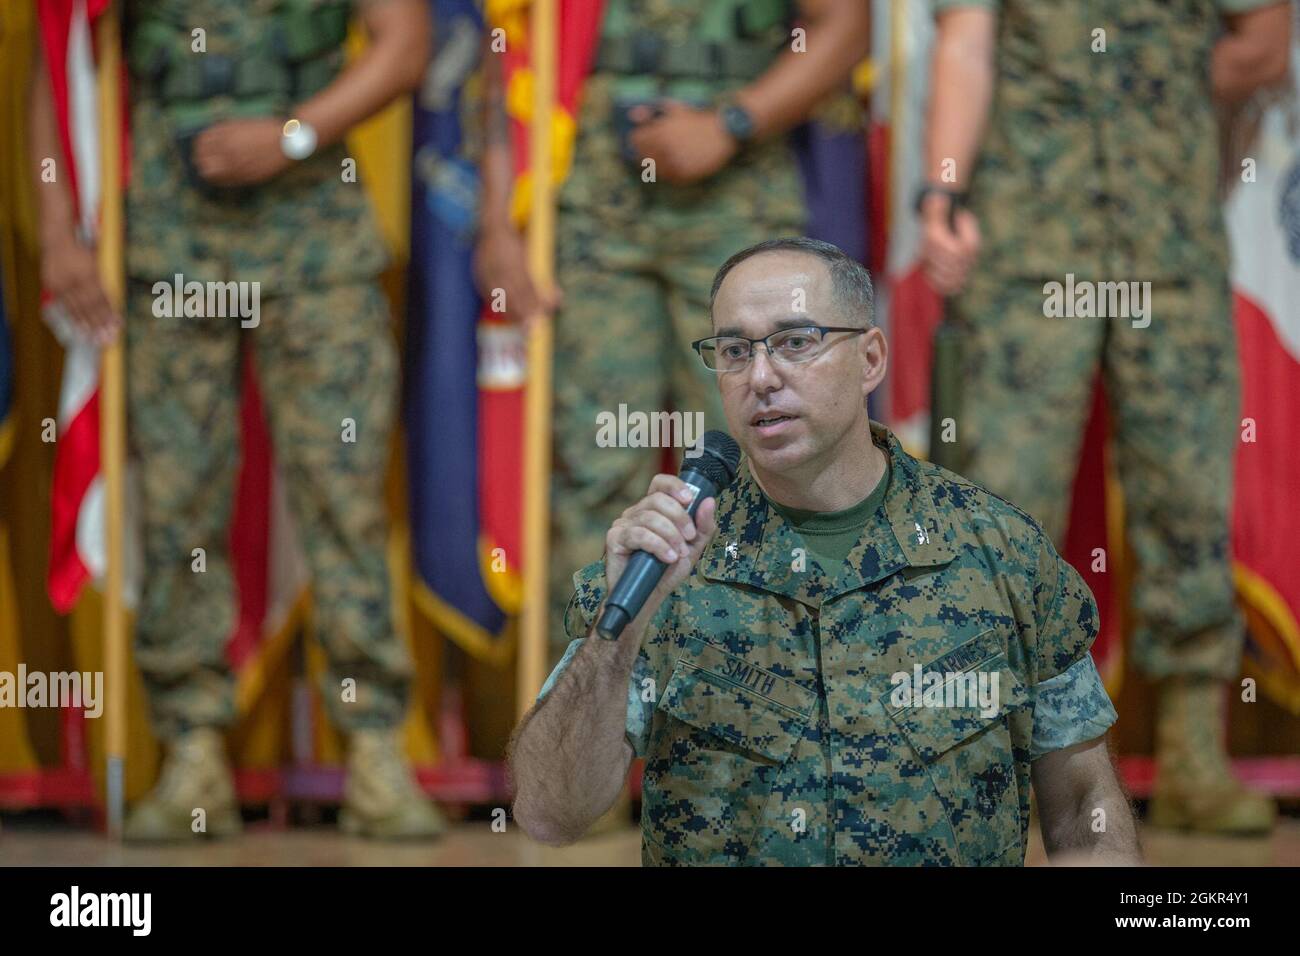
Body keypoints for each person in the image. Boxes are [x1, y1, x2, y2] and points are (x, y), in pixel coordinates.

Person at [508, 238, 1141, 865]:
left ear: (870, 358)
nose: (760, 377)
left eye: (795, 343)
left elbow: (1085, 808)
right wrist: (615, 641)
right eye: (734, 351)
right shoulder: (669, 561)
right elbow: (548, 812)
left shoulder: (998, 551)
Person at [30, 0, 441, 841]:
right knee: (180, 499)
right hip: (167, 241)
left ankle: (372, 747)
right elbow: (60, 52)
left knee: (344, 493)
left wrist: (291, 133)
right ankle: (192, 754)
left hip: (315, 243)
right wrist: (55, 229)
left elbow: (403, 46)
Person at [920, 0, 1291, 833]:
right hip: (1026, 239)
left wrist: (1163, 93)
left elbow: (1264, 40)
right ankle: (988, 763)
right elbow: (967, 42)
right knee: (1002, 502)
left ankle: (1196, 752)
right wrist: (941, 186)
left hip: (1171, 242)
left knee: (1188, 491)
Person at [472, 0, 871, 667]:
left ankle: (758, 727)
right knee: (592, 466)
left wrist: (731, 122)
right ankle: (589, 729)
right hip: (591, 195)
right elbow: (509, 43)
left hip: (737, 199)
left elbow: (843, 28)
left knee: (768, 466)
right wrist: (495, 219)